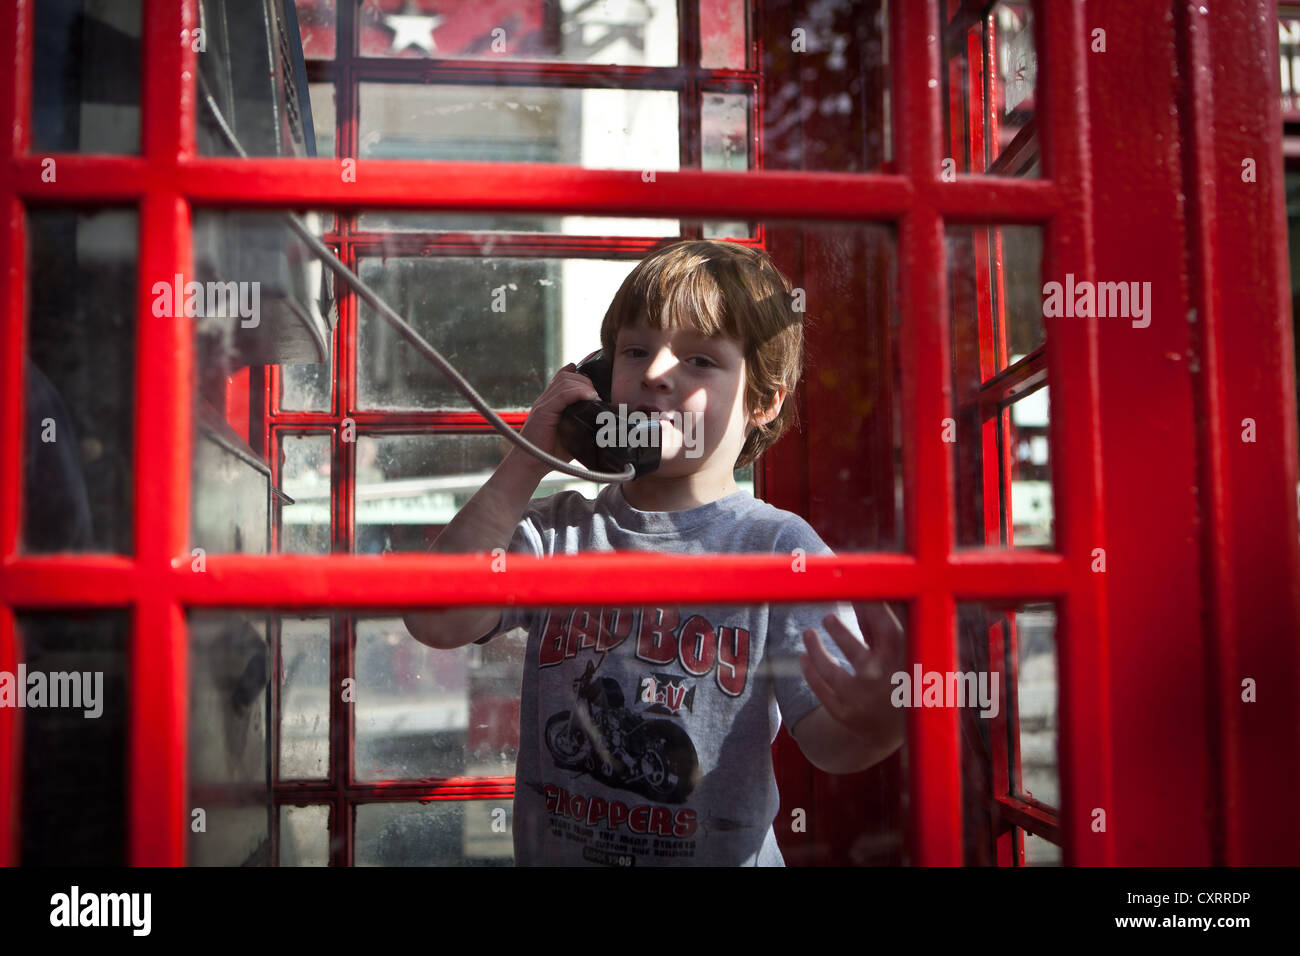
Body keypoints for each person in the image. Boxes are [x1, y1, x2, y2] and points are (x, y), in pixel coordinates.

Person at [404, 238, 905, 865]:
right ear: (597, 376)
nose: (655, 372)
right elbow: (435, 617)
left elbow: (829, 744)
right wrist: (530, 457)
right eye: (634, 351)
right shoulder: (559, 533)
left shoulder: (780, 549)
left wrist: (882, 720)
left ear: (764, 399)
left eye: (699, 360)